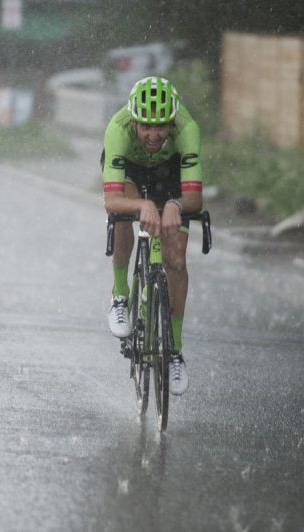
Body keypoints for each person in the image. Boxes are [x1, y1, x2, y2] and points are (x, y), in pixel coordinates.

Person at [102, 76, 203, 396]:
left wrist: (174, 204)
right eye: (145, 126)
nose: (153, 134)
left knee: (175, 259)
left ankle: (174, 352)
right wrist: (142, 204)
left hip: (170, 174)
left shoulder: (187, 130)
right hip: (131, 173)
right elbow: (111, 201)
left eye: (161, 127)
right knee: (122, 219)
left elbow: (195, 198)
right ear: (133, 120)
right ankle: (120, 296)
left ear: (172, 121)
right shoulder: (117, 129)